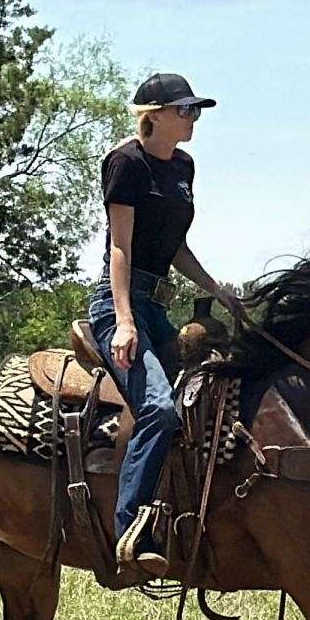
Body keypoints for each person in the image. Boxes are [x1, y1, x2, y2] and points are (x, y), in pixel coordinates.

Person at [88, 72, 244, 575]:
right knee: (158, 407)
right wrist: (126, 323)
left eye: (195, 111)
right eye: (186, 111)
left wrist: (215, 289)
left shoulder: (183, 167)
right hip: (120, 304)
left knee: (207, 400)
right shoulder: (126, 163)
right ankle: (129, 531)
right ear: (152, 116)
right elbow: (120, 248)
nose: (193, 119)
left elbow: (175, 247)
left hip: (157, 305)